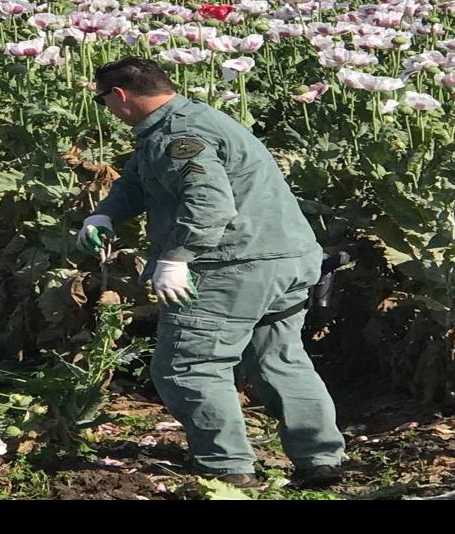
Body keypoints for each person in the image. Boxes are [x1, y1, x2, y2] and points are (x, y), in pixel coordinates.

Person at [76, 57, 345, 489]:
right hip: (288, 261)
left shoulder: (179, 135)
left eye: (102, 99)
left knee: (189, 364)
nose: (105, 108)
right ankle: (320, 460)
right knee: (277, 358)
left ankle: (227, 469)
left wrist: (177, 258)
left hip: (233, 266)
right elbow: (138, 182)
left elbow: (210, 206)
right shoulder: (190, 119)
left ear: (120, 96)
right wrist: (104, 216)